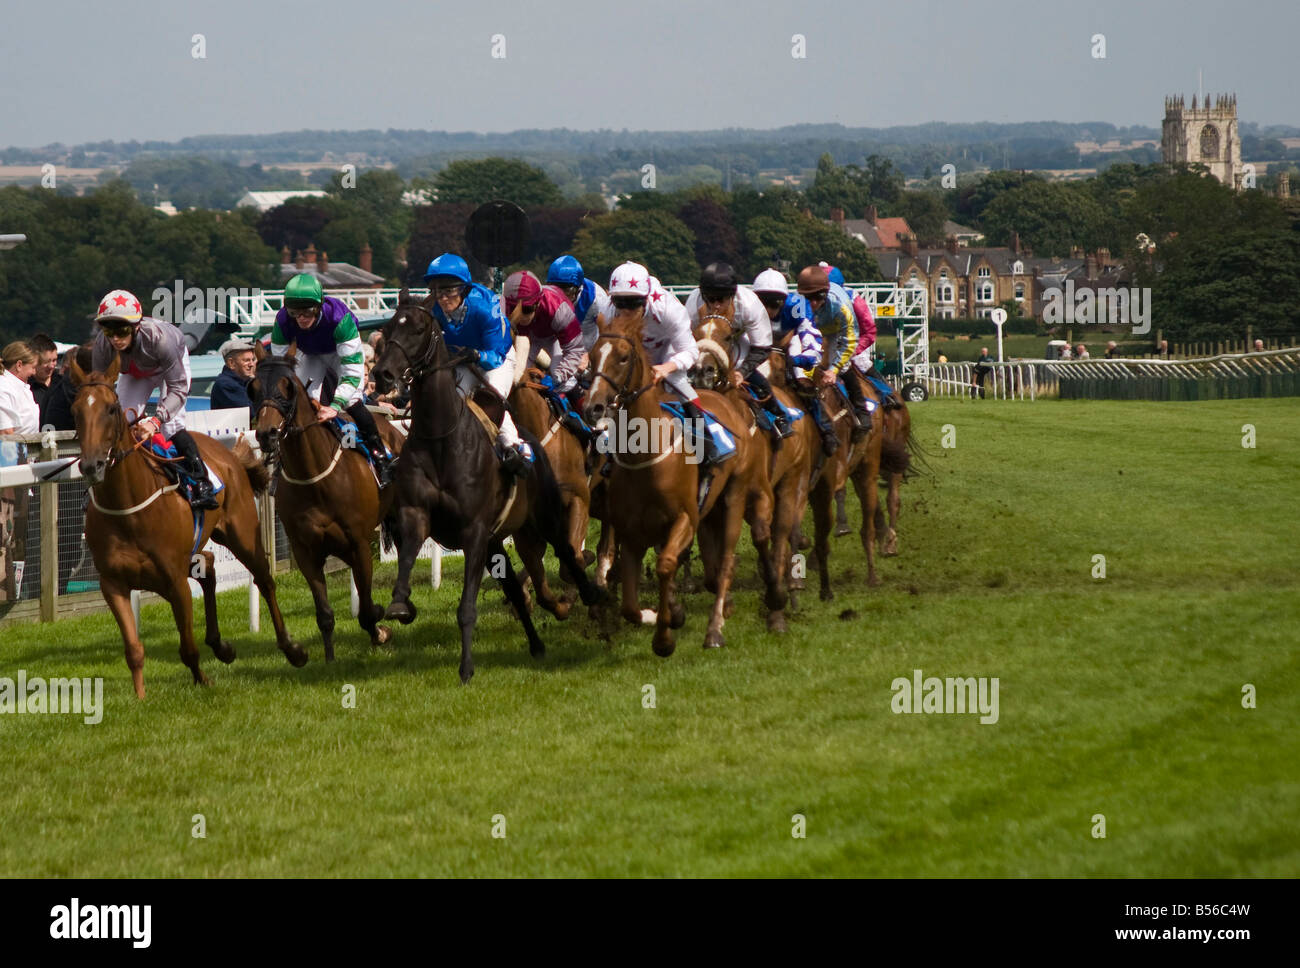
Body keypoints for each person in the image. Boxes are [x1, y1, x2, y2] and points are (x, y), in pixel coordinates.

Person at [90, 290, 219, 509]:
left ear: (136, 326)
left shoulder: (160, 340)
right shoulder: (102, 345)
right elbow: (99, 388)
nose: (115, 339)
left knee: (172, 425)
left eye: (121, 331)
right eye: (108, 331)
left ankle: (201, 481)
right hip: (135, 372)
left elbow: (179, 388)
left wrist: (155, 421)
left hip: (169, 368)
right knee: (120, 421)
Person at [605, 261, 734, 467]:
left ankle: (705, 442)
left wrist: (666, 368)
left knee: (678, 382)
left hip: (669, 350)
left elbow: (690, 351)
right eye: (621, 303)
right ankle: (612, 449)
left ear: (646, 299)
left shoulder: (669, 308)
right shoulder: (609, 310)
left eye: (633, 303)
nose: (626, 311)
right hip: (634, 351)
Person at [270, 273, 394, 485]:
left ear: (319, 306)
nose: (301, 317)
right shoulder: (282, 322)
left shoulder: (339, 319)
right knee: (299, 403)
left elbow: (353, 374)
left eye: (307, 310)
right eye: (294, 312)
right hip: (308, 354)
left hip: (339, 354)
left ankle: (379, 455)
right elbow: (282, 371)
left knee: (351, 401)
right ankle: (283, 460)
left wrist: (335, 405)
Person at [422, 253, 533, 476]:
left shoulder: (484, 308)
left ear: (463, 289)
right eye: (436, 290)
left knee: (489, 398)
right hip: (463, 361)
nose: (442, 298)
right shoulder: (434, 310)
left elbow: (495, 354)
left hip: (497, 359)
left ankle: (515, 446)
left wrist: (475, 355)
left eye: (448, 290)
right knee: (451, 402)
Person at [684, 262, 791, 438]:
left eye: (721, 299)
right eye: (710, 299)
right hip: (705, 339)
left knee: (748, 371)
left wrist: (742, 372)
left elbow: (762, 347)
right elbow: (685, 341)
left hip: (739, 337)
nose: (716, 305)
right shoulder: (694, 303)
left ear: (732, 296)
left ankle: (778, 415)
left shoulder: (749, 304)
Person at [752, 269, 838, 456]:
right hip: (758, 347)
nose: (768, 309)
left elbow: (813, 347)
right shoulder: (747, 307)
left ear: (784, 301)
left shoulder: (798, 306)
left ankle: (825, 428)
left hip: (790, 344)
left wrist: (796, 361)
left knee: (802, 381)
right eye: (762, 302)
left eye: (774, 303)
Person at [502, 270, 592, 444]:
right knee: (514, 379)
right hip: (526, 337)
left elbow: (574, 350)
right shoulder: (502, 306)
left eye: (526, 310)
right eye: (514, 309)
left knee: (563, 379)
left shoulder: (558, 308)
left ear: (538, 302)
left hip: (555, 336)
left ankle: (590, 426)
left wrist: (557, 377)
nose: (521, 316)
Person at [797, 265, 875, 440]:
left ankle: (861, 411)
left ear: (826, 293)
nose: (814, 303)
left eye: (818, 297)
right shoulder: (798, 305)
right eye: (809, 298)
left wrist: (833, 370)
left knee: (842, 364)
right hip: (814, 330)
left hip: (837, 331)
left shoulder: (841, 307)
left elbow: (850, 341)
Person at [1, 341, 40, 603]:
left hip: (24, 465)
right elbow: (6, 434)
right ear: (19, 365)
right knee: (6, 535)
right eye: (32, 367)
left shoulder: (20, 387)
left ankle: (15, 596)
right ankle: (6, 598)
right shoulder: (4, 387)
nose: (35, 372)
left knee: (18, 538)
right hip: (10, 467)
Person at [547, 254, 612, 353]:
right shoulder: (544, 296)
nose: (560, 296)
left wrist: (589, 356)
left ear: (579, 289)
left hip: (588, 355)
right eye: (555, 289)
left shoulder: (596, 298)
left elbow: (608, 333)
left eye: (567, 290)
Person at [210, 338, 257, 417]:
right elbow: (251, 413)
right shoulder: (225, 384)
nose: (251, 364)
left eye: (253, 360)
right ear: (231, 363)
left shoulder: (245, 381)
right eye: (246, 360)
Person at [26, 333, 59, 422]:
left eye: (54, 360)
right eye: (46, 362)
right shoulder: (26, 388)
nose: (51, 366)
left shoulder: (61, 384)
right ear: (34, 360)